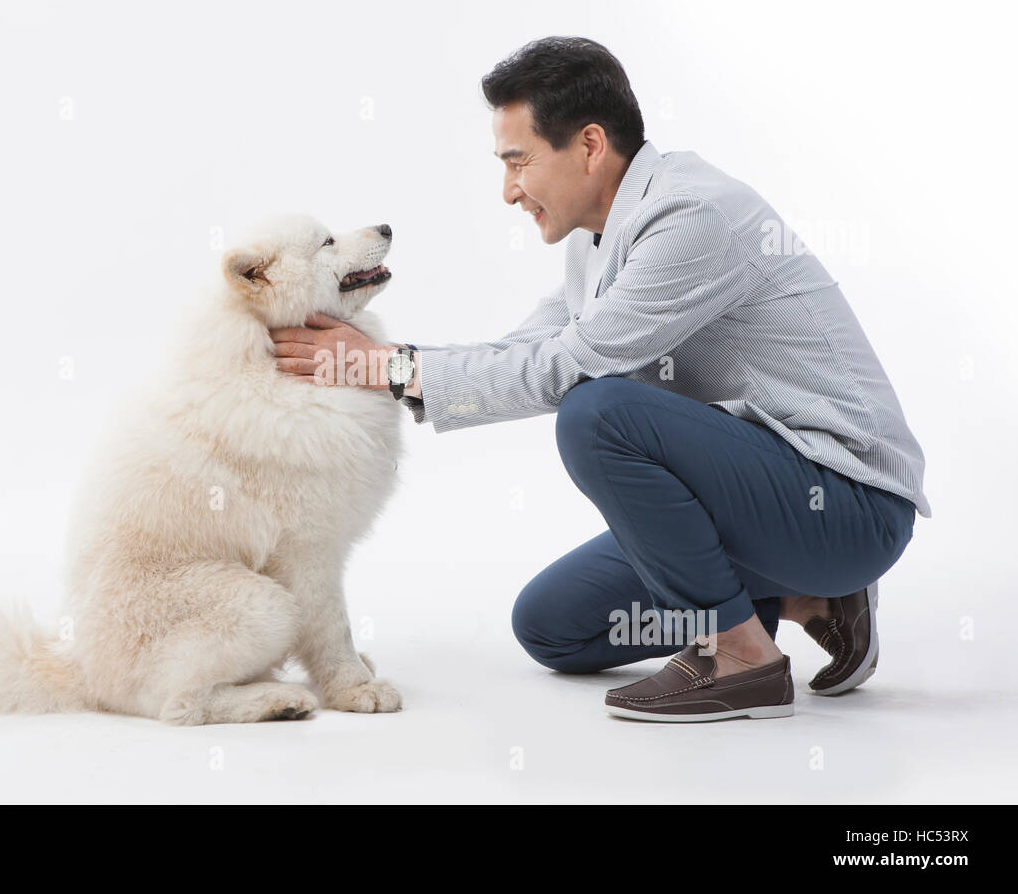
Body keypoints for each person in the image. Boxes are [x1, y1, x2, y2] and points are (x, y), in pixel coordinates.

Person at [268, 36, 929, 723]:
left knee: (597, 412)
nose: (508, 191)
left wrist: (392, 367)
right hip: (765, 504)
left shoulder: (688, 216)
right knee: (552, 624)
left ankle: (741, 660)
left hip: (848, 505)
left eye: (518, 162)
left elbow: (568, 368)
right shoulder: (599, 232)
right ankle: (811, 600)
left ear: (589, 145)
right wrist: (384, 362)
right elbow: (526, 347)